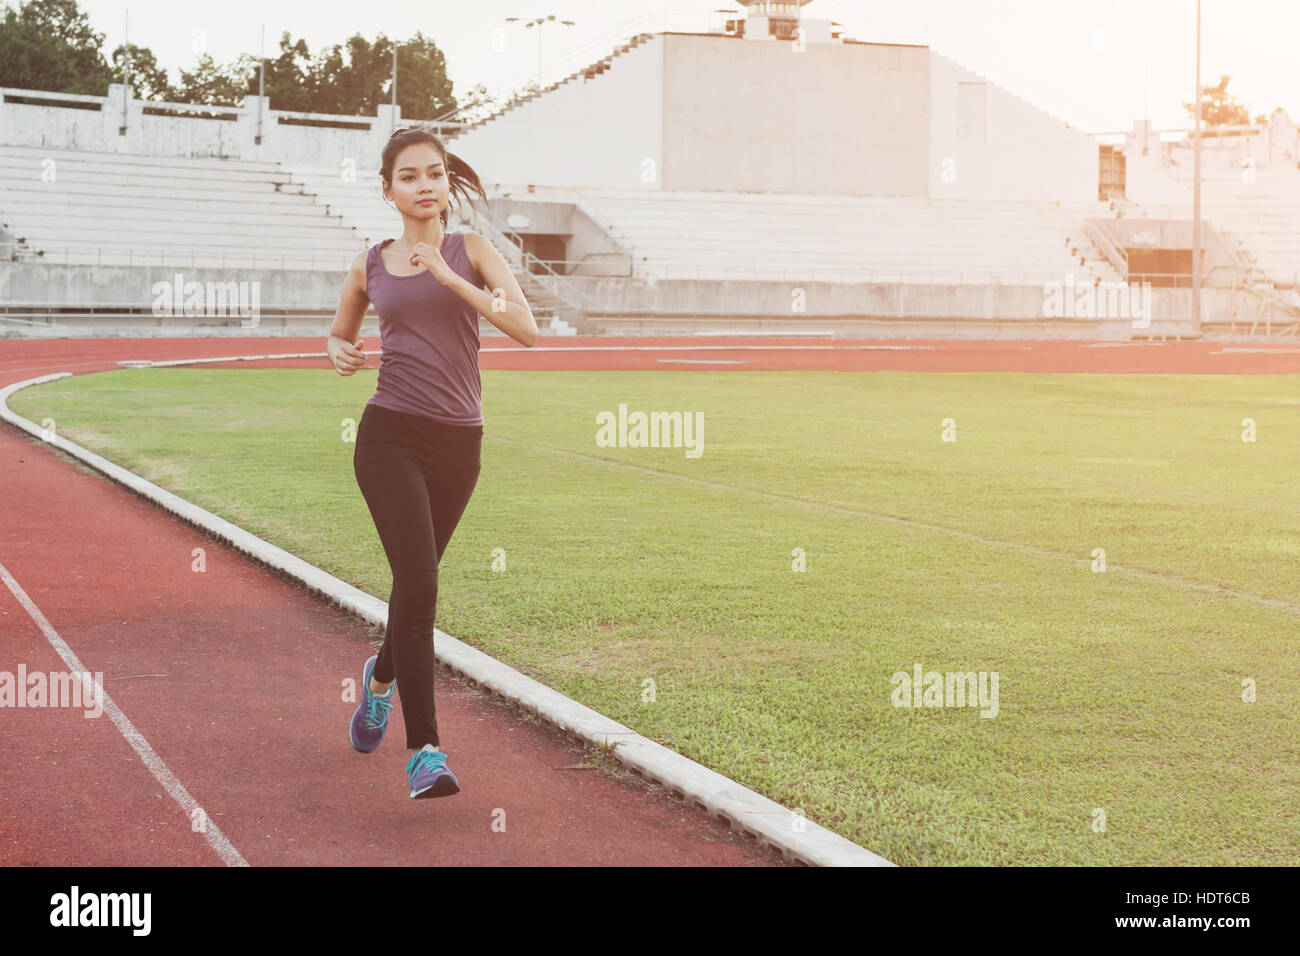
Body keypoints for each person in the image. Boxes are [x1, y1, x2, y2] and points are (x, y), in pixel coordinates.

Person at [327, 126, 538, 798]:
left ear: (448, 184)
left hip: (459, 444)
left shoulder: (472, 250)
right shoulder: (368, 263)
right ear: (387, 189)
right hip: (389, 436)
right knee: (420, 581)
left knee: (414, 589)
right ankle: (424, 752)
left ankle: (379, 681)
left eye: (436, 174)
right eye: (410, 176)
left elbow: (526, 329)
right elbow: (341, 332)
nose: (425, 186)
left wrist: (451, 277)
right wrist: (339, 349)